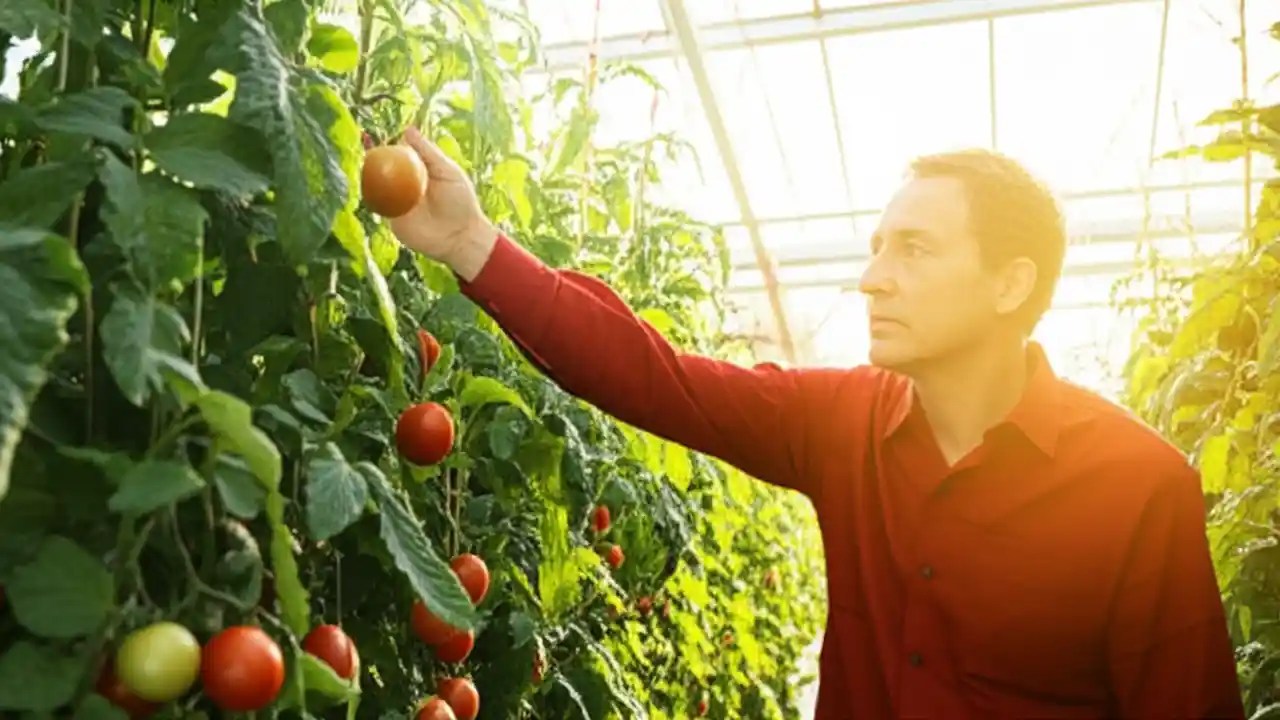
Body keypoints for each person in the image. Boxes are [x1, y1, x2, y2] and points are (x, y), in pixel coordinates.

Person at [388, 126, 1245, 719]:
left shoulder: (1136, 488)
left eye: (913, 249)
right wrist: (473, 243)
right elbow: (659, 379)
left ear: (1010, 285)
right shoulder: (842, 423)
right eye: (876, 247)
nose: (872, 278)